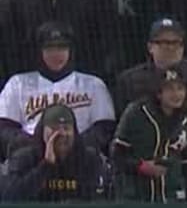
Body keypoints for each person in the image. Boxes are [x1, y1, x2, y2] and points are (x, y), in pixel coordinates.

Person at [0, 22, 115, 158]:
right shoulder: (17, 84)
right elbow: (5, 128)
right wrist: (38, 147)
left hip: (80, 158)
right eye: (49, 48)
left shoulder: (93, 84)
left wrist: (71, 146)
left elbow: (104, 129)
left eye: (61, 47)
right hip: (31, 158)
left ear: (71, 50)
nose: (55, 54)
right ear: (39, 51)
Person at [111, 66, 187, 202]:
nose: (176, 94)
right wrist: (141, 166)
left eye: (180, 88)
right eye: (170, 89)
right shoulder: (136, 113)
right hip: (136, 198)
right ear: (159, 93)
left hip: (172, 199)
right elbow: (116, 154)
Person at [115, 18, 187, 135]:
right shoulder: (129, 80)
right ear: (150, 47)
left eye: (176, 43)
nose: (170, 48)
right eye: (164, 42)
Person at [0, 103, 111, 202]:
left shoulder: (89, 160)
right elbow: (10, 197)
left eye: (66, 128)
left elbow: (101, 197)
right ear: (42, 132)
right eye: (54, 128)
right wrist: (46, 166)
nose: (61, 134)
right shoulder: (24, 158)